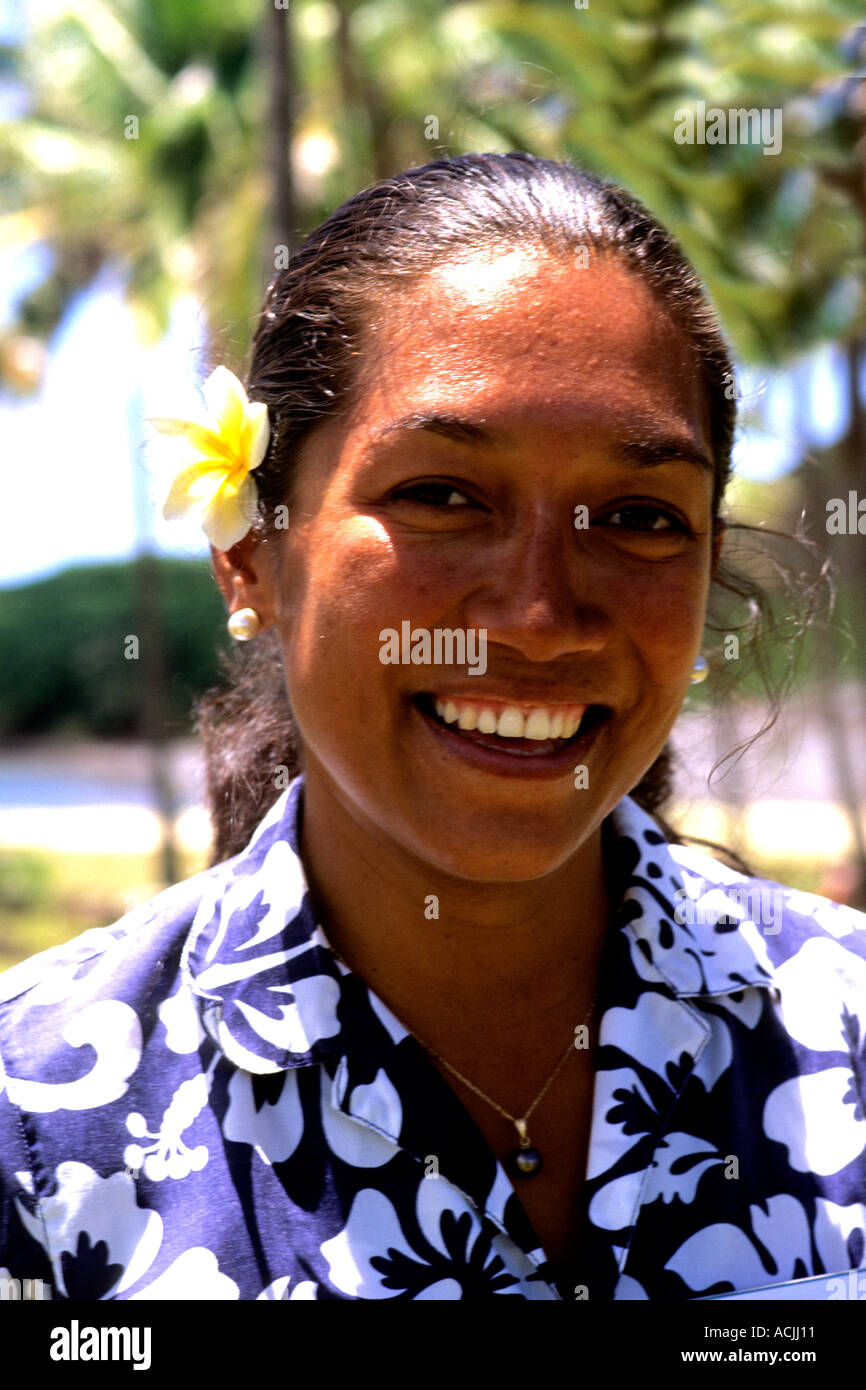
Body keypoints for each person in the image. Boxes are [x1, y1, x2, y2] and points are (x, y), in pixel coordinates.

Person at [1, 151, 864, 1302]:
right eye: (441, 496)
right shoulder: (39, 1122)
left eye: (636, 515)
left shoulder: (846, 1030)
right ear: (251, 554)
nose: (539, 618)